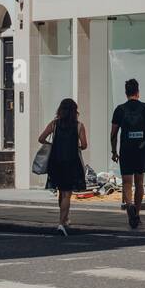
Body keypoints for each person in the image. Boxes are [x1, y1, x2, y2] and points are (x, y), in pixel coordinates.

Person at [110, 78, 145, 229]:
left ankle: (130, 206)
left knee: (127, 183)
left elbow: (113, 133)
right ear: (138, 92)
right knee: (139, 183)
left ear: (126, 93)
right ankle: (136, 214)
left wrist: (113, 151)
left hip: (126, 150)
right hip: (141, 149)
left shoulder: (119, 109)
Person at [38, 98, 88, 236]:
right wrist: (74, 146)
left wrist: (53, 145)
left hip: (56, 161)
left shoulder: (54, 124)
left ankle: (64, 219)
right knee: (67, 194)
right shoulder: (79, 126)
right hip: (71, 162)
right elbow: (84, 145)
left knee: (61, 191)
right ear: (74, 112)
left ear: (60, 110)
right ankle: (62, 223)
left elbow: (41, 138)